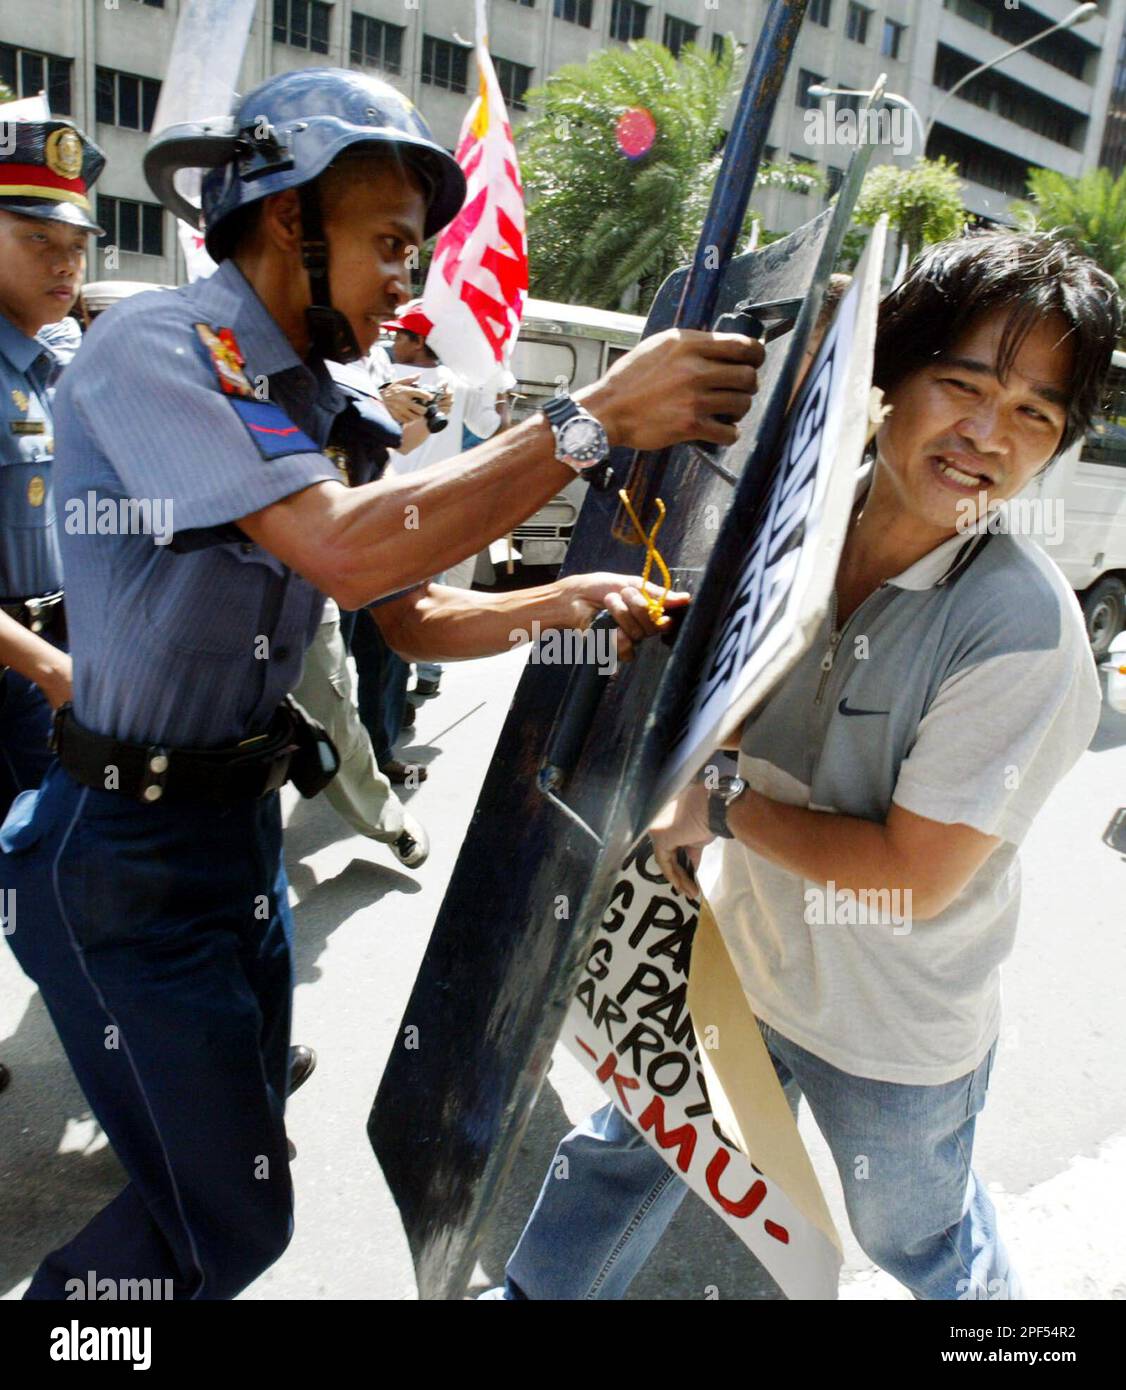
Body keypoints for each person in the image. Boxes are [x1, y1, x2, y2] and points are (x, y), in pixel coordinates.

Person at [1, 68, 761, 1299]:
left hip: (231, 843)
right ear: (289, 218)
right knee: (228, 1227)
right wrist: (596, 417)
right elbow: (346, 546)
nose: (409, 277)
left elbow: (405, 614)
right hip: (119, 858)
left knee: (220, 1187)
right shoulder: (160, 347)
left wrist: (564, 606)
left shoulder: (323, 395)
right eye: (391, 245)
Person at [491, 231, 1121, 1302]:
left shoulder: (1023, 633)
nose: (985, 436)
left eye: (1032, 415)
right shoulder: (779, 530)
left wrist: (716, 806)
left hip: (895, 1034)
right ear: (886, 382)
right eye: (959, 384)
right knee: (617, 1160)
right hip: (735, 962)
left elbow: (911, 875)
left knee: (918, 1243)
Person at [0, 116, 103, 1103]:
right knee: (58, 875)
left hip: (49, 649)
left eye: (74, 246)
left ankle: (151, 1056)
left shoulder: (62, 355)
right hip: (23, 666)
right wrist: (47, 666)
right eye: (38, 241)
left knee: (69, 870)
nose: (63, 263)